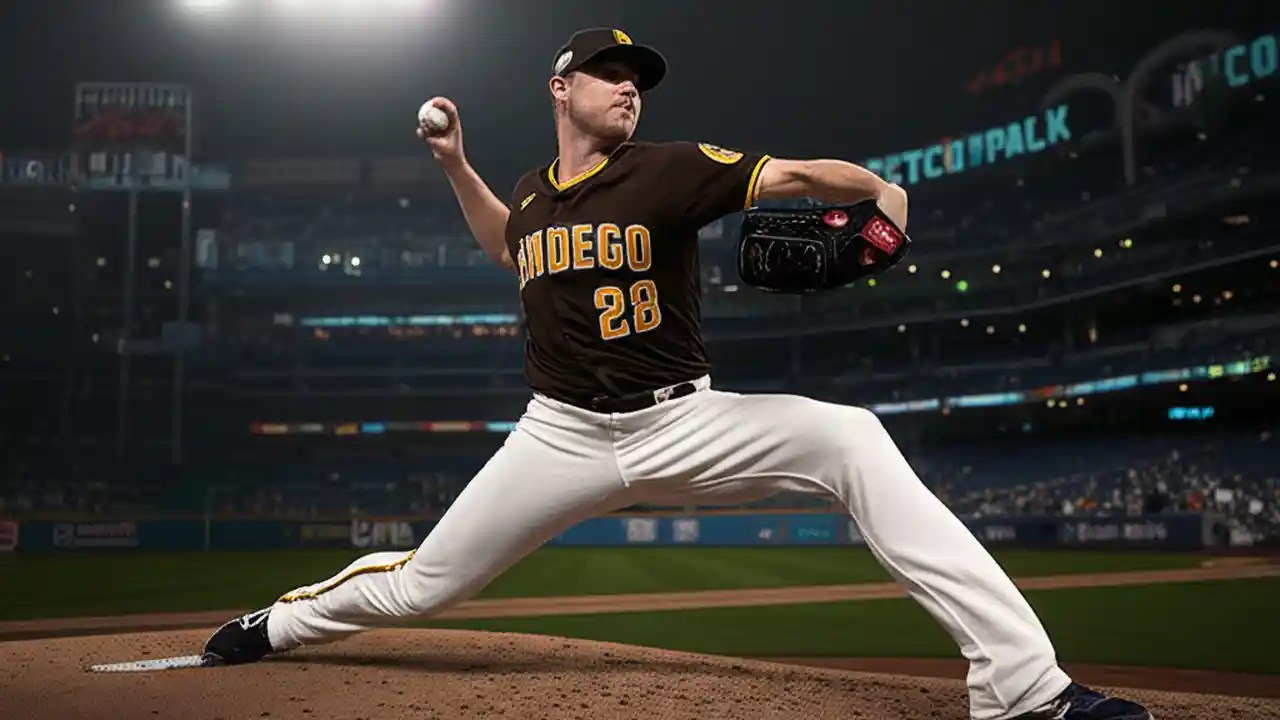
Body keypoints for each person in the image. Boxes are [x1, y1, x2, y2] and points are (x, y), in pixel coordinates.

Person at [205, 28, 1151, 720]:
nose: (628, 89)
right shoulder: (536, 194)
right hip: (559, 434)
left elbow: (792, 177)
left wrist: (877, 190)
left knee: (854, 437)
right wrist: (457, 164)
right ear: (560, 87)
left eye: (638, 80)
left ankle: (1024, 690)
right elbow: (509, 245)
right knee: (424, 588)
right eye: (609, 75)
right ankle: (278, 628)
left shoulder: (669, 167)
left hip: (683, 420)